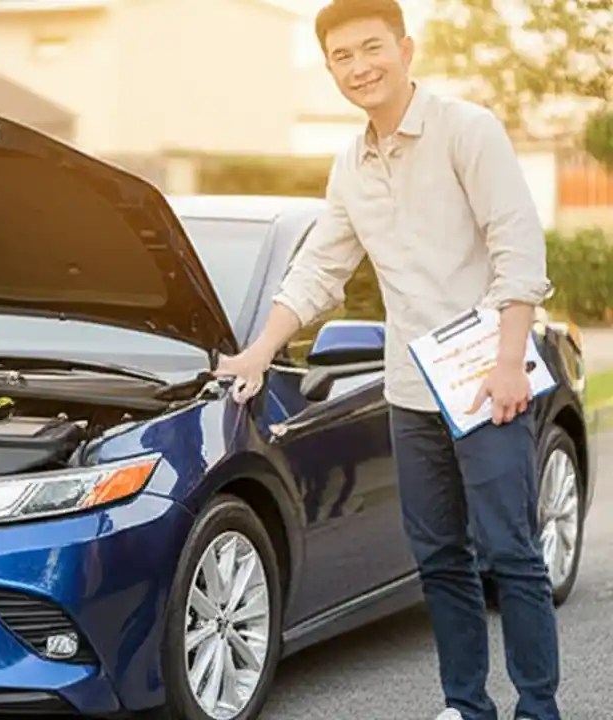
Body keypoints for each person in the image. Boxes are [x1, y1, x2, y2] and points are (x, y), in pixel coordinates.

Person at [213, 1, 562, 718]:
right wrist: (259, 350)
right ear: (330, 69)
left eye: (371, 48)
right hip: (410, 389)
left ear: (406, 50)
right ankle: (466, 706)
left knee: (511, 552)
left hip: (487, 382)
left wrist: (508, 363)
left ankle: (538, 707)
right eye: (341, 57)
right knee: (438, 557)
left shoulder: (467, 131)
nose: (359, 67)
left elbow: (519, 251)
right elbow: (319, 269)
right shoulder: (351, 164)